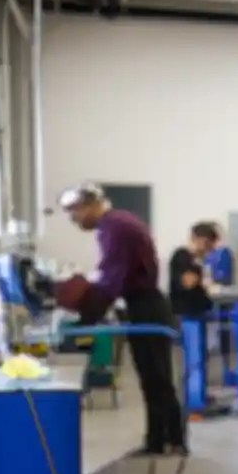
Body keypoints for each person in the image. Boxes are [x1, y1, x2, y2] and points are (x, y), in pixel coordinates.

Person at [59, 183, 186, 455]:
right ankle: (161, 439)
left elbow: (112, 278)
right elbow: (111, 275)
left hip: (147, 308)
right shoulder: (116, 224)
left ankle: (171, 440)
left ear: (92, 204)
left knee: (157, 378)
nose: (74, 220)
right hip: (142, 304)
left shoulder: (115, 227)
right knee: (152, 378)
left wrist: (86, 316)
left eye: (76, 212)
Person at [168, 222, 218, 319]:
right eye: (208, 245)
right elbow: (188, 282)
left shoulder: (200, 261)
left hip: (200, 312)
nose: (210, 250)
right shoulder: (182, 256)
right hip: (185, 313)